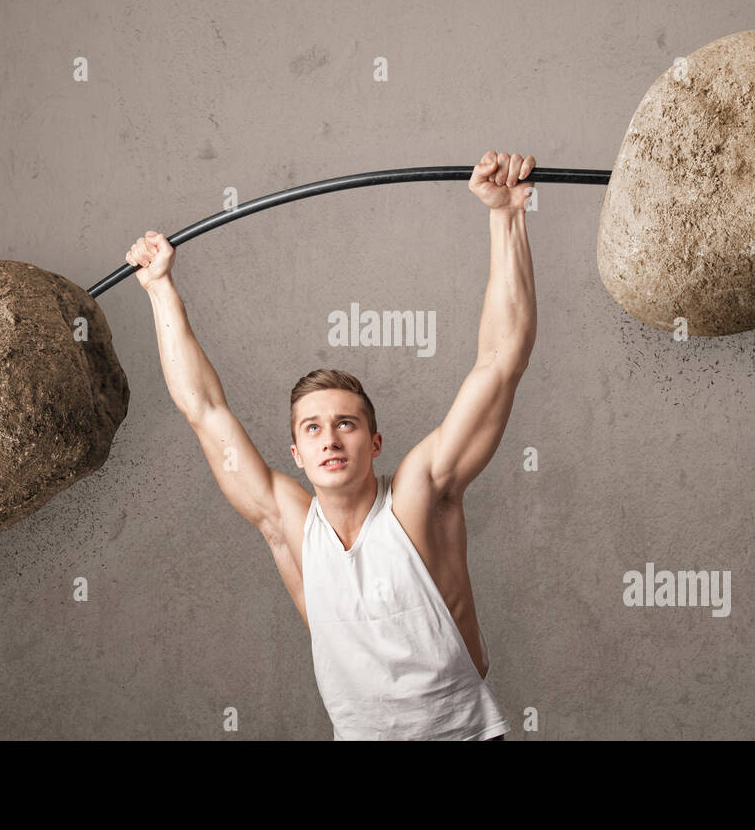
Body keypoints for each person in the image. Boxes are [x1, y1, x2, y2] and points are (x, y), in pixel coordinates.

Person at [125, 150, 536, 740]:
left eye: (346, 424)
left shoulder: (420, 497)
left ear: (374, 443)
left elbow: (500, 364)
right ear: (296, 454)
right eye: (312, 428)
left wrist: (506, 217)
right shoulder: (289, 523)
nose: (329, 437)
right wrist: (160, 288)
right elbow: (204, 411)